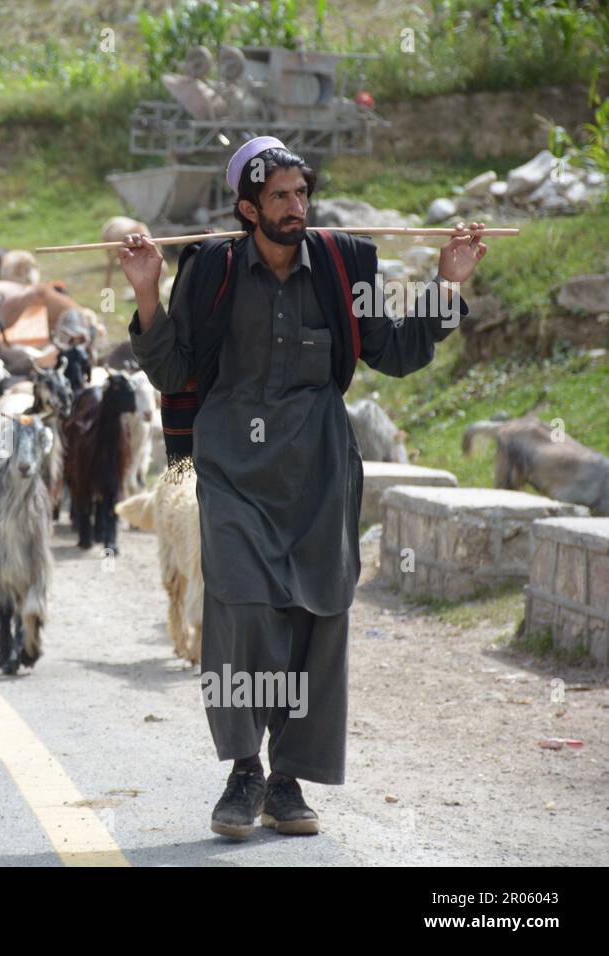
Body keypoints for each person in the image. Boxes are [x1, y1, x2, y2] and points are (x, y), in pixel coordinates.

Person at [120, 136, 488, 840]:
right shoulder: (211, 271)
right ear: (247, 207)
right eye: (282, 196)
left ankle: (288, 781)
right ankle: (243, 770)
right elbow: (173, 372)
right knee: (241, 606)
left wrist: (449, 282)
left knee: (319, 614)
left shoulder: (348, 263)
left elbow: (399, 351)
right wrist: (145, 291)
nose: (298, 207)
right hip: (232, 469)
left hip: (318, 470)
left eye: (302, 194)